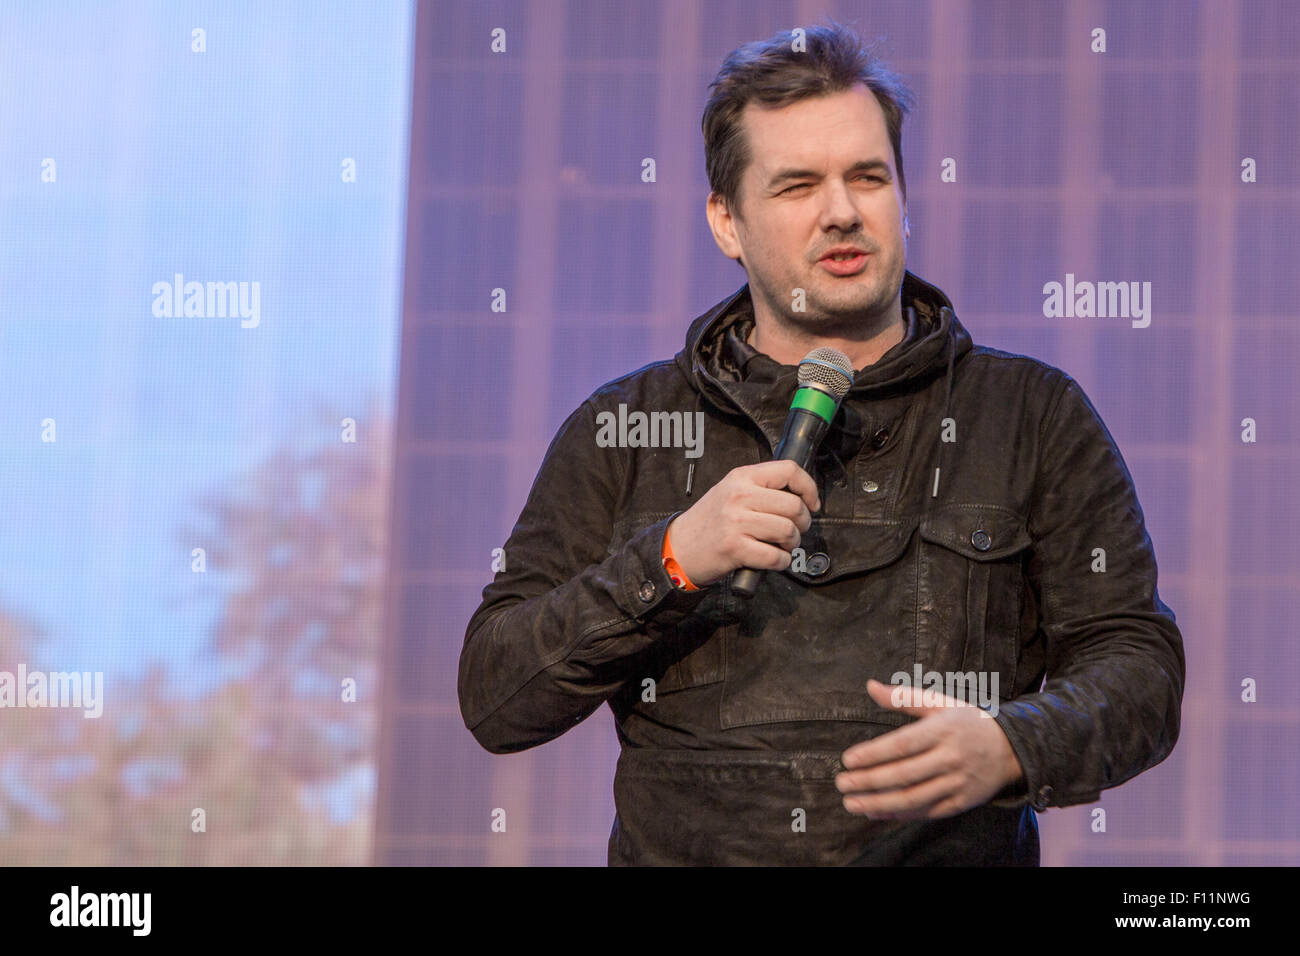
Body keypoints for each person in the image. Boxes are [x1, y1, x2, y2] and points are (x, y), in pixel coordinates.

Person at [458, 21, 1184, 865]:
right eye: (798, 185)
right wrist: (671, 559)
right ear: (726, 222)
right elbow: (496, 696)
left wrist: (1014, 743)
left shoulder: (1031, 414)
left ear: (902, 196)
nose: (842, 210)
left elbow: (1141, 669)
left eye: (867, 177)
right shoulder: (627, 428)